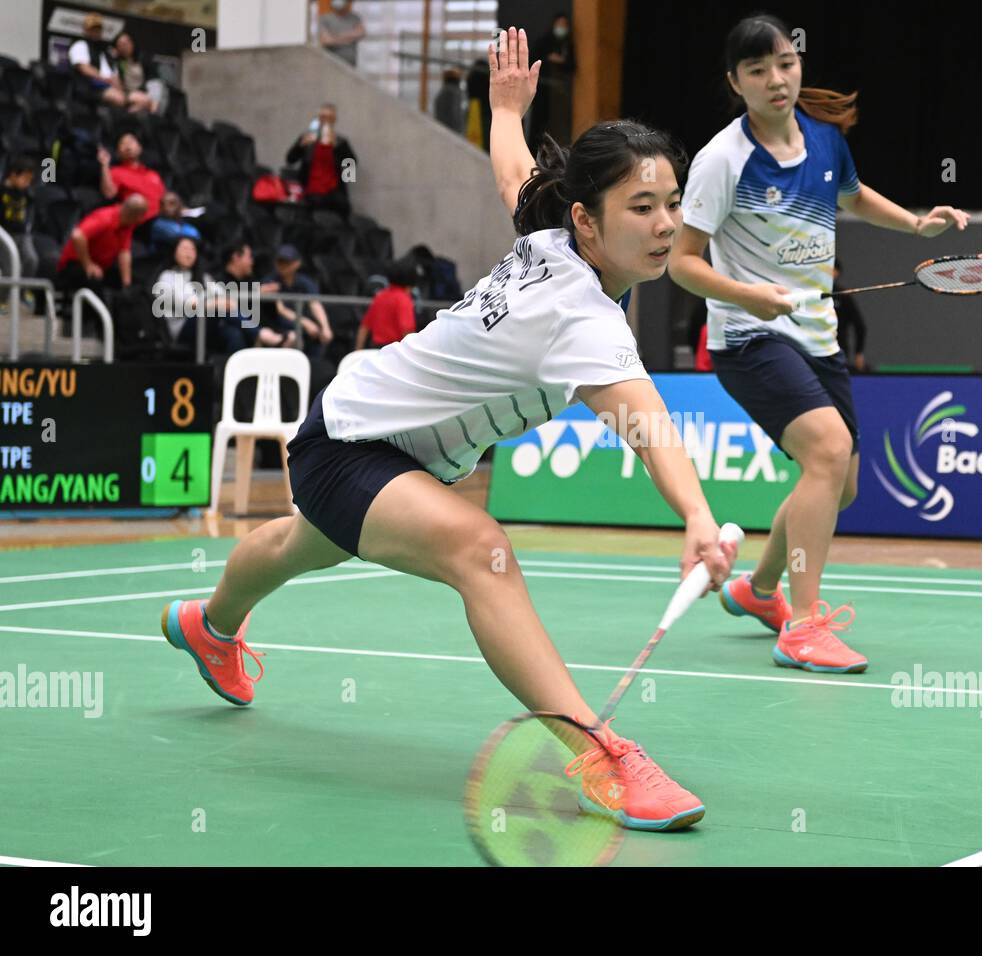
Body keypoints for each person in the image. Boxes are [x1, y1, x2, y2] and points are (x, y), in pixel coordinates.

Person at [159, 27, 736, 833]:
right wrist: (699, 515)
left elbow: (513, 173)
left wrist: (505, 110)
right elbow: (644, 418)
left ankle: (207, 623)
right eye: (642, 207)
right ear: (590, 221)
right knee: (481, 551)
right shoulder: (581, 312)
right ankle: (598, 752)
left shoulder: (551, 232)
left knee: (301, 543)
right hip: (351, 446)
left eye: (673, 203)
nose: (667, 224)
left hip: (374, 433)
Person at [668, 13, 968, 672]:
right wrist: (748, 295)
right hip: (750, 337)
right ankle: (802, 626)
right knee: (828, 452)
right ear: (735, 82)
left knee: (843, 485)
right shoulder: (723, 160)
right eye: (757, 70)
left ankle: (759, 590)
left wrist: (916, 226)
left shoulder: (825, 142)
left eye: (784, 63)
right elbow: (682, 262)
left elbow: (854, 199)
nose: (776, 79)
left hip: (817, 335)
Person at [56, 194, 149, 309]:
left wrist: (127, 284)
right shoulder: (105, 218)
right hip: (75, 264)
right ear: (135, 215)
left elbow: (124, 253)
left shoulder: (127, 224)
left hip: (102, 266)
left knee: (136, 284)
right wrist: (88, 264)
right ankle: (102, 322)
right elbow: (78, 236)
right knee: (95, 282)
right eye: (141, 217)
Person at [261, 244, 333, 359]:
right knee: (293, 337)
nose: (282, 266)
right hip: (279, 326)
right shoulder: (271, 282)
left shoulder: (304, 282)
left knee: (319, 336)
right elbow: (281, 310)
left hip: (303, 327)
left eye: (287, 262)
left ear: (296, 263)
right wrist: (306, 323)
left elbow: (315, 304)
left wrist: (325, 327)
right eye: (280, 262)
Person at [285, 104, 356, 216]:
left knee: (343, 208)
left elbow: (350, 174)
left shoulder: (341, 142)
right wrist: (300, 145)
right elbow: (290, 160)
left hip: (334, 192)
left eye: (329, 118)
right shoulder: (308, 139)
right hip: (311, 190)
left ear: (334, 120)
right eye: (322, 117)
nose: (325, 121)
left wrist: (337, 147)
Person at [528, 13, 575, 151]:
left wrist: (561, 62)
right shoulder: (544, 42)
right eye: (559, 24)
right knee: (538, 125)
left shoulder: (567, 44)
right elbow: (533, 61)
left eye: (564, 25)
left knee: (558, 127)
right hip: (542, 92)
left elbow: (572, 66)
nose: (561, 28)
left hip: (559, 95)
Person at [152, 235, 208, 349]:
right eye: (184, 249)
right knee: (215, 314)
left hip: (206, 323)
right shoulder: (166, 277)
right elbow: (185, 305)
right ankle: (254, 333)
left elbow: (226, 298)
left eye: (192, 249)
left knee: (232, 333)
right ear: (174, 252)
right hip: (180, 328)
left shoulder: (203, 277)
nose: (189, 253)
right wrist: (211, 305)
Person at [98, 133, 166, 218]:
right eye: (123, 144)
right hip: (141, 220)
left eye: (131, 142)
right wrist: (105, 165)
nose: (128, 146)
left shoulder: (153, 174)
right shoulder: (116, 172)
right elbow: (108, 194)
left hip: (163, 217)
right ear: (118, 153)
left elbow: (164, 199)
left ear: (140, 148)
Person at [355, 258, 417, 349]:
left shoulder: (380, 296)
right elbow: (407, 330)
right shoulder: (403, 299)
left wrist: (358, 350)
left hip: (376, 349)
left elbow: (364, 327)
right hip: (395, 351)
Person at [1, 156, 39, 280]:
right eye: (25, 179)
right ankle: (5, 297)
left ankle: (21, 292)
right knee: (9, 267)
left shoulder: (27, 194)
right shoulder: (1, 191)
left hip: (22, 234)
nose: (27, 183)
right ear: (13, 174)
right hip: (4, 235)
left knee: (31, 260)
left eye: (30, 180)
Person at [110, 32, 159, 114]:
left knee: (156, 86)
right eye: (121, 45)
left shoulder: (143, 58)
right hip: (127, 94)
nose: (125, 47)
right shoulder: (118, 63)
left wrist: (143, 91)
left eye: (126, 43)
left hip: (145, 91)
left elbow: (152, 78)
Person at [832, 259, 867, 372]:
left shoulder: (844, 296)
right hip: (809, 351)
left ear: (836, 272)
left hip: (838, 352)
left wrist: (858, 353)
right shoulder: (812, 294)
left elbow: (860, 326)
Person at [319, 0, 366, 68]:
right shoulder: (325, 18)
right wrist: (349, 39)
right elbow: (327, 41)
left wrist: (336, 36)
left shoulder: (354, 17)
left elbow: (361, 33)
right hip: (331, 64)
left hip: (351, 63)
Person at [433, 68, 467, 135]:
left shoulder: (443, 92)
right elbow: (456, 115)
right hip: (452, 131)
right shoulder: (454, 93)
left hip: (442, 130)